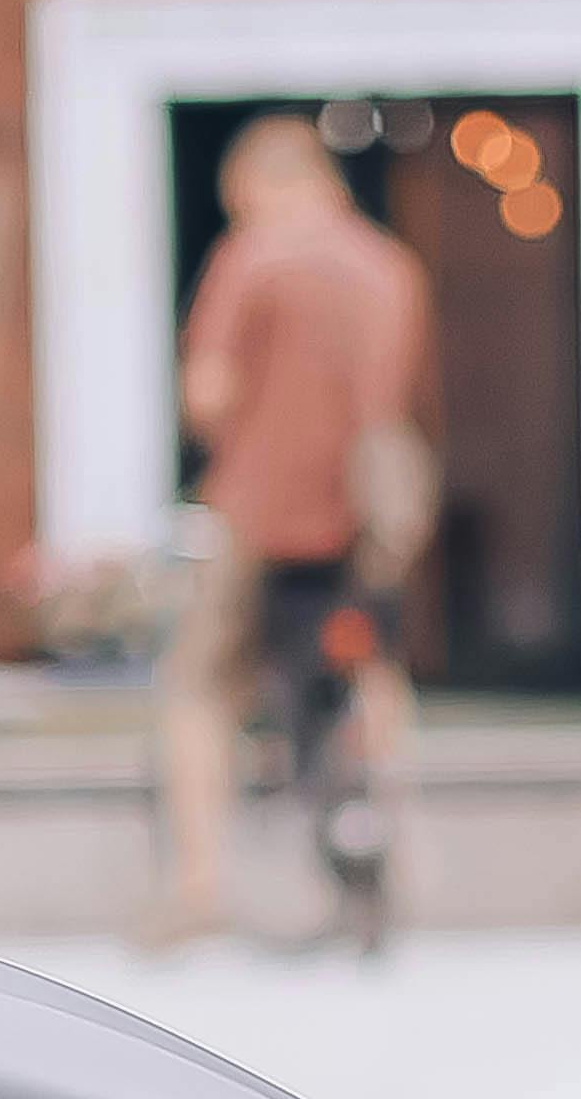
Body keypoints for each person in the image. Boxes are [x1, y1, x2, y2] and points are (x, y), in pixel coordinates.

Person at [155, 116, 432, 946]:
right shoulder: (389, 265)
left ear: (260, 187)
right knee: (372, 676)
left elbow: (207, 393)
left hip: (260, 508)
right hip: (365, 512)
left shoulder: (252, 259)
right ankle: (395, 860)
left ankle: (201, 887)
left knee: (198, 692)